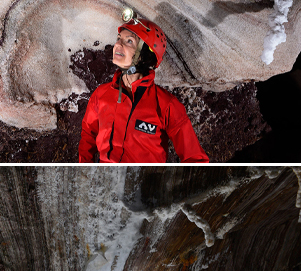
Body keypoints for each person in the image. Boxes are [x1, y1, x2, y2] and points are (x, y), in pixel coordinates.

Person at [79, 13, 209, 163]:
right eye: (118, 39)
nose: (118, 45)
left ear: (145, 55)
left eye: (129, 41)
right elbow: (88, 135)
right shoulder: (101, 95)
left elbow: (195, 158)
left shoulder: (167, 105)